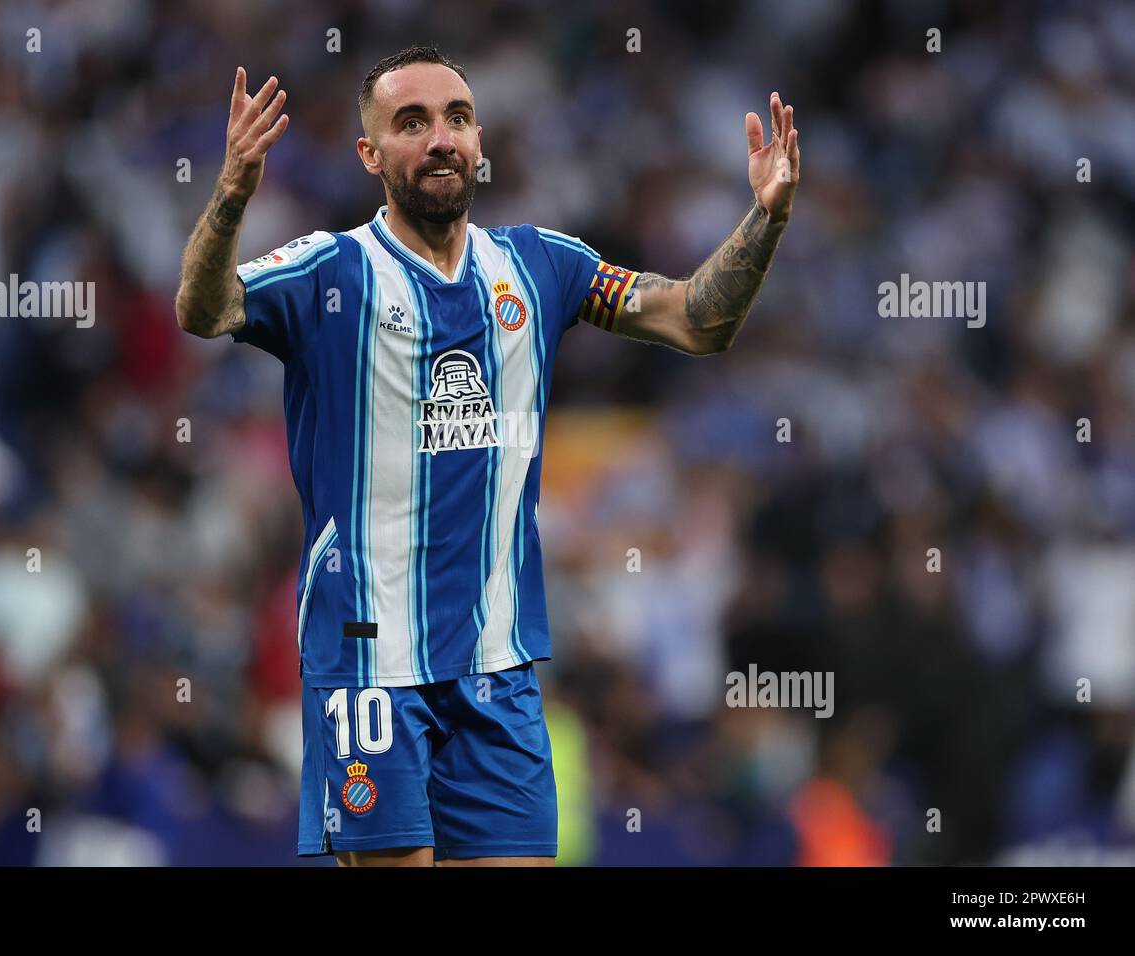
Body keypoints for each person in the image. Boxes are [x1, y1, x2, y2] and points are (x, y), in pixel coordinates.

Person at [174, 43, 799, 866]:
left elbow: (696, 321)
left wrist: (768, 216)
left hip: (497, 669)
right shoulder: (331, 271)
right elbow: (203, 308)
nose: (442, 138)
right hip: (370, 659)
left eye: (458, 118)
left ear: (481, 142)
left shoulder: (541, 266)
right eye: (413, 122)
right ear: (370, 154)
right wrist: (230, 193)